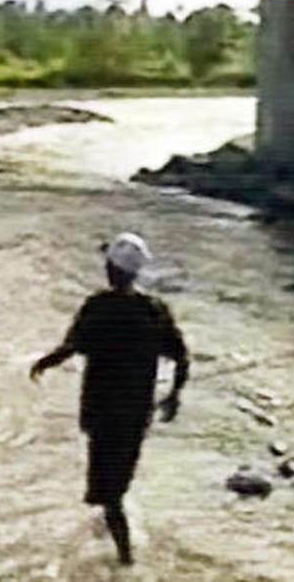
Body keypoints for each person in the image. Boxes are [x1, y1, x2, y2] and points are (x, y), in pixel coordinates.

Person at [29, 232, 189, 566]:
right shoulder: (155, 310)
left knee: (107, 493)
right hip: (136, 414)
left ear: (112, 270)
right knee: (114, 482)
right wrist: (174, 396)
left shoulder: (99, 306)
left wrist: (43, 363)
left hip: (102, 412)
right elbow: (182, 356)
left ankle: (125, 561)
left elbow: (71, 347)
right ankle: (117, 531)